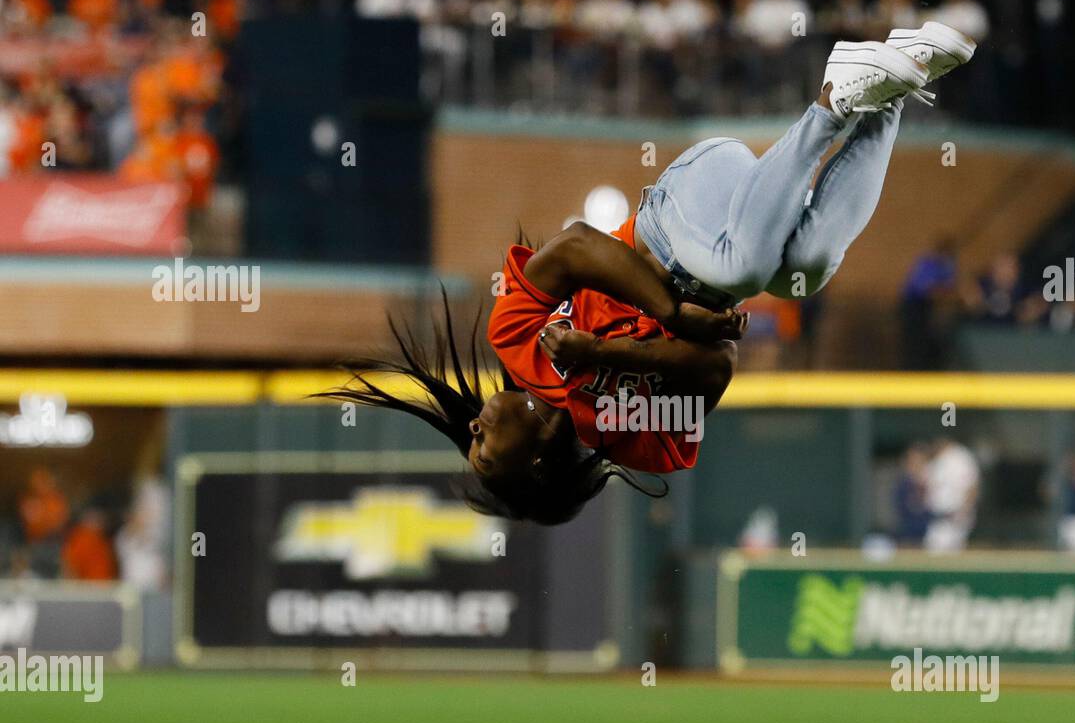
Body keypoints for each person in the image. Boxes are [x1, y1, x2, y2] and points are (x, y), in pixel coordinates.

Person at [329, 26, 977, 524]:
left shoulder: (514, 339)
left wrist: (664, 318)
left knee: (746, 264)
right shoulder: (637, 442)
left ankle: (834, 99)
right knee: (804, 272)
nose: (473, 428)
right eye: (485, 451)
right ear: (533, 463)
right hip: (744, 227)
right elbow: (717, 370)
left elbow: (580, 246)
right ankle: (892, 86)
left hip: (679, 209)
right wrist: (609, 350)